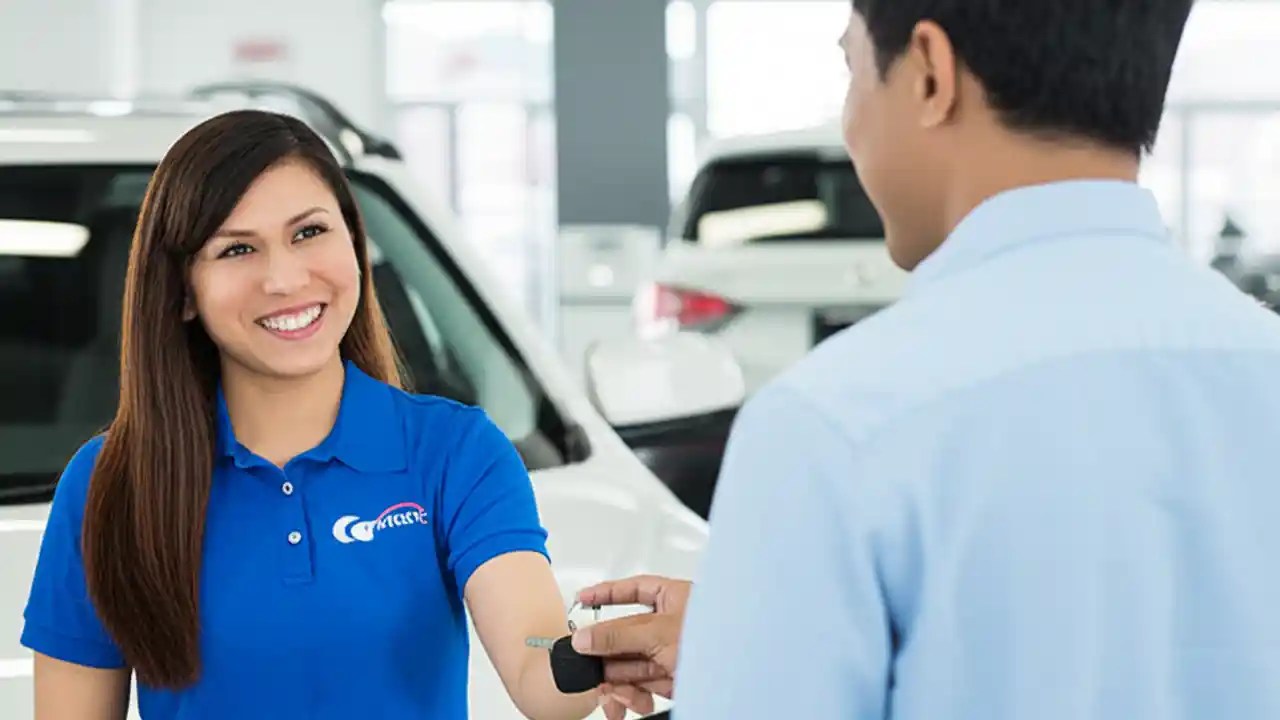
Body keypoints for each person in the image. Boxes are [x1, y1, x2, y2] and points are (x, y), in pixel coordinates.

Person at [576, 1, 1280, 718]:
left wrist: (756, 658)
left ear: (930, 75)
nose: (850, 122)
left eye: (852, 70)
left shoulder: (831, 428)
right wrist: (770, 632)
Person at [20, 110, 597, 720]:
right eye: (237, 249)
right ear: (184, 292)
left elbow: (540, 672)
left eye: (309, 232)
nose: (284, 278)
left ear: (354, 244)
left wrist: (605, 654)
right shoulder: (111, 483)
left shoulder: (456, 452)